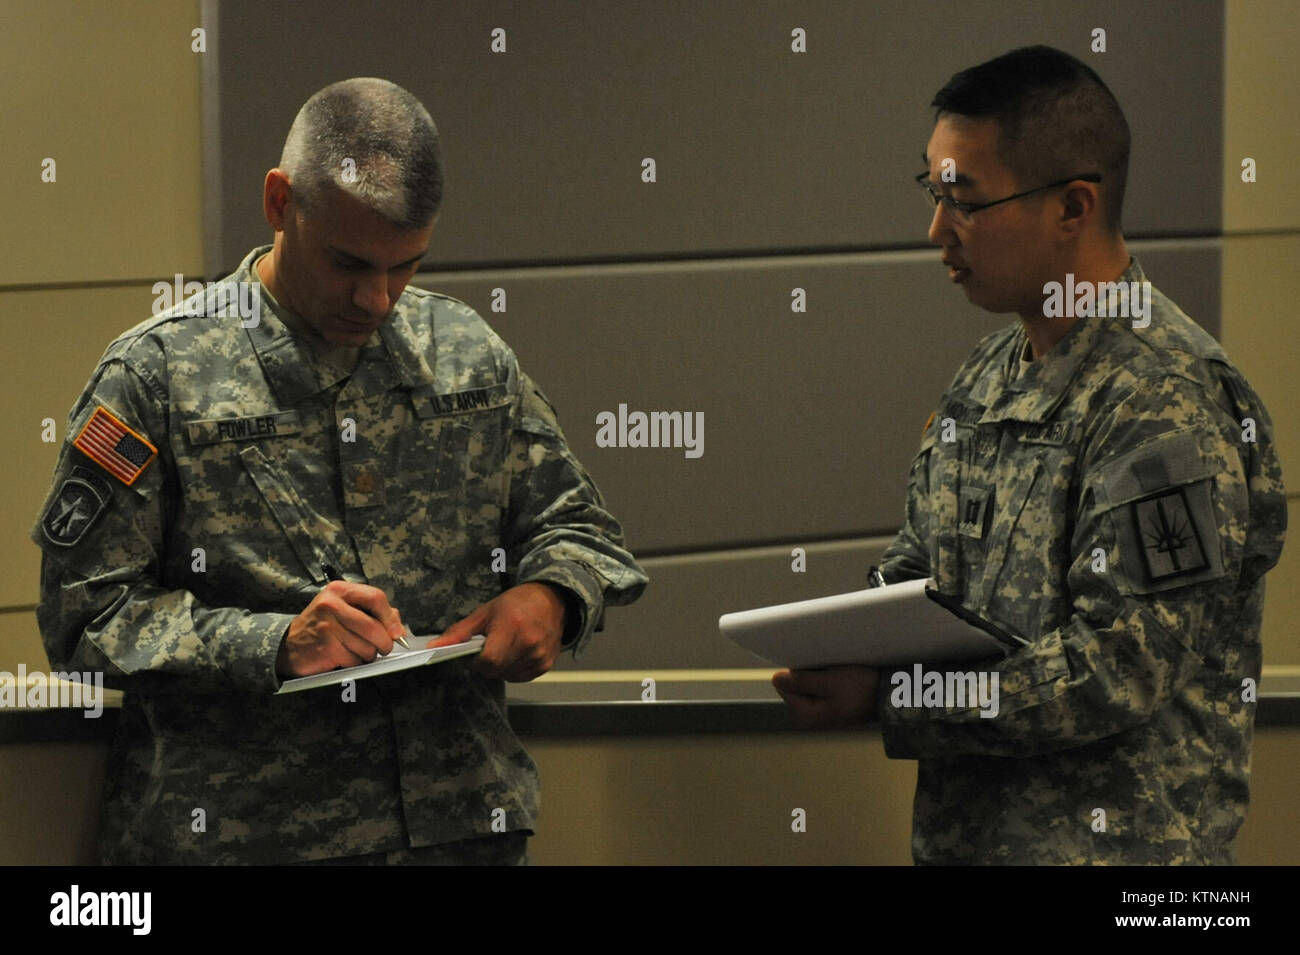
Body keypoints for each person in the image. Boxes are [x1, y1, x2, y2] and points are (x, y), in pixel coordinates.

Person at [31, 77, 647, 865]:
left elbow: (580, 528)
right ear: (280, 201)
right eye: (350, 262)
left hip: (457, 833)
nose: (378, 298)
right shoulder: (159, 377)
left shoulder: (465, 355)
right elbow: (84, 618)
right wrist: (272, 643)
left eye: (407, 267)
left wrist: (552, 596)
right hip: (241, 842)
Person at [773, 46, 1286, 864]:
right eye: (933, 194)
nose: (937, 230)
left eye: (965, 201)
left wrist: (897, 696)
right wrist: (852, 630)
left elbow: (1118, 665)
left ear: (1074, 206)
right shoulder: (985, 375)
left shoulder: (1163, 398)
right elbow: (923, 565)